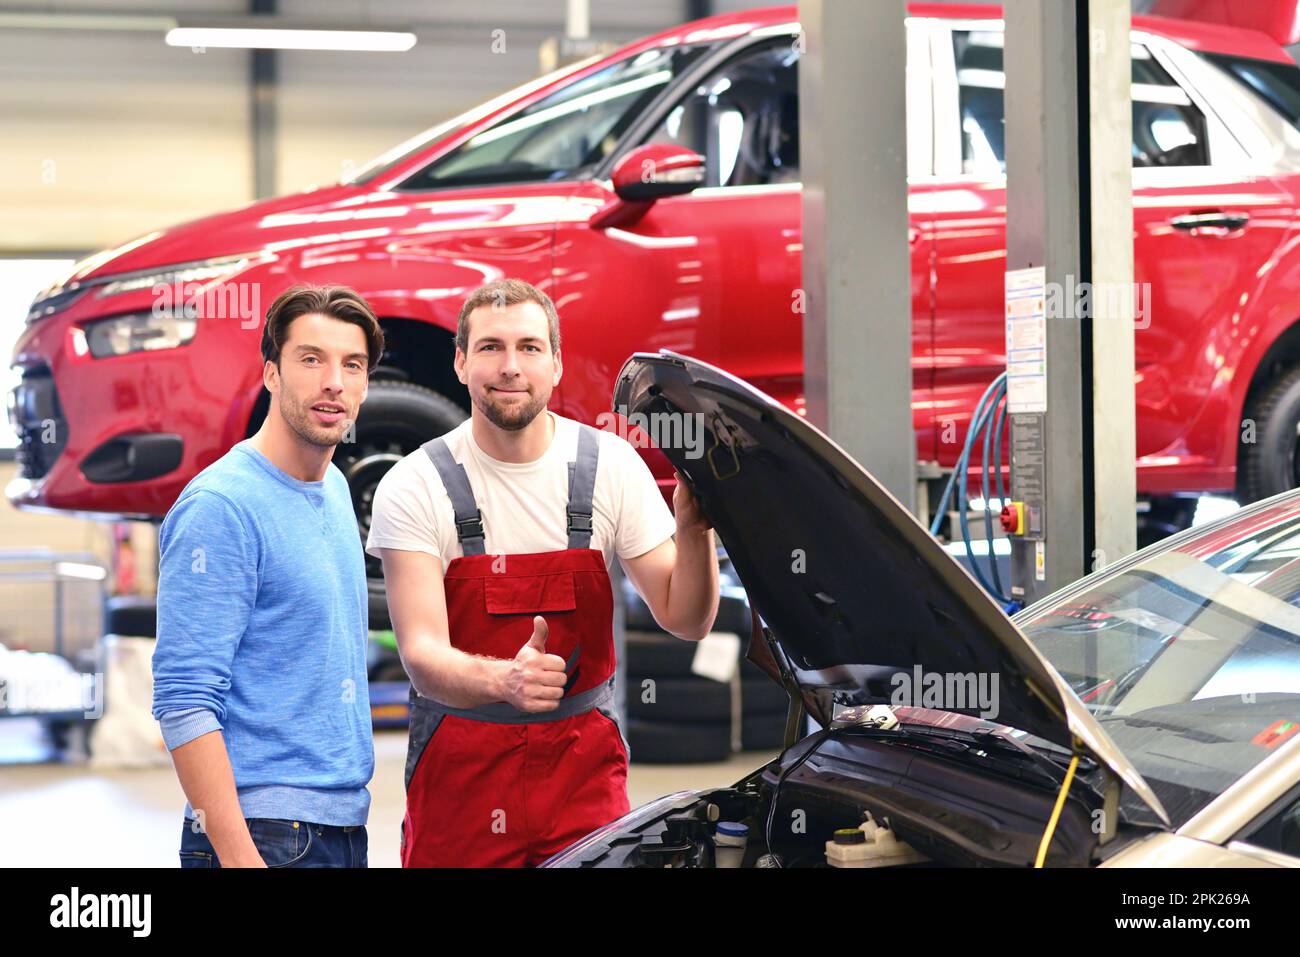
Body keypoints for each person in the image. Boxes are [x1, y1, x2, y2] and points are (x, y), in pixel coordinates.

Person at [368, 278, 720, 867]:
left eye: (530, 347)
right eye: (490, 348)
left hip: (582, 779)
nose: (511, 367)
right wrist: (506, 682)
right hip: (462, 782)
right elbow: (422, 655)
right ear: (460, 362)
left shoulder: (610, 467)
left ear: (556, 363)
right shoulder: (416, 482)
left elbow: (686, 619)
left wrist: (694, 531)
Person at [151, 285, 381, 867]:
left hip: (342, 826)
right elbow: (184, 700)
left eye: (351, 364)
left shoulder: (333, 488)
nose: (334, 381)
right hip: (266, 837)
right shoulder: (221, 506)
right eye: (311, 359)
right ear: (272, 374)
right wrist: (239, 858)